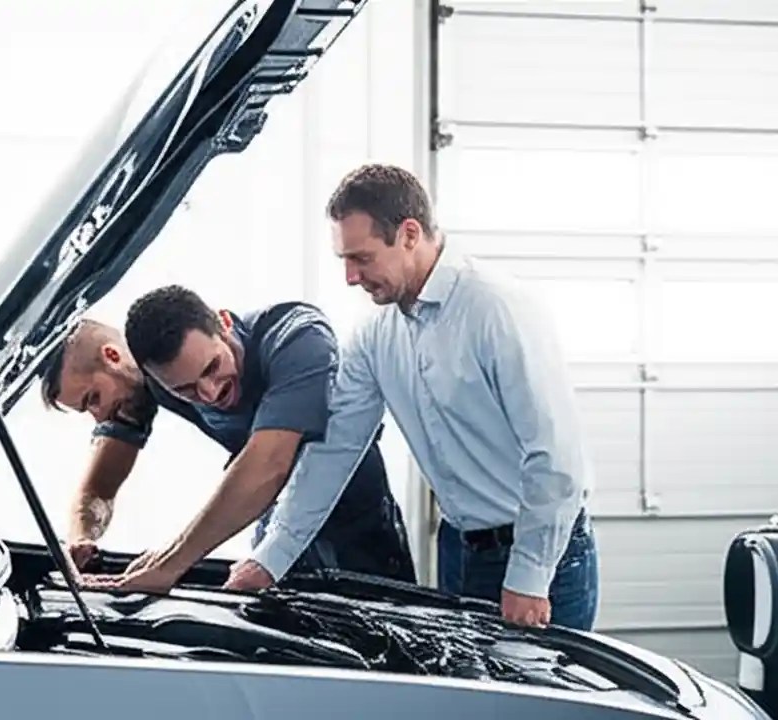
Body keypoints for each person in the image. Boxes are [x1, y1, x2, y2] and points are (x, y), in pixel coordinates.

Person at [226, 163, 599, 630]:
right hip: (459, 550)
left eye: (361, 258)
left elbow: (557, 456)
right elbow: (333, 450)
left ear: (408, 233)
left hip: (544, 554)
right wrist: (271, 557)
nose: (349, 277)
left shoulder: (497, 309)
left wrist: (529, 576)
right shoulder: (374, 336)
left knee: (539, 706)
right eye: (343, 259)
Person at [38, 288, 416, 592]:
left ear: (223, 325)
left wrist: (171, 564)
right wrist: (80, 539)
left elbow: (267, 466)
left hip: (359, 533)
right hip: (275, 532)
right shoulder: (156, 381)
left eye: (213, 368)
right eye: (186, 390)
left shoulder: (298, 339)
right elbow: (101, 483)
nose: (209, 392)